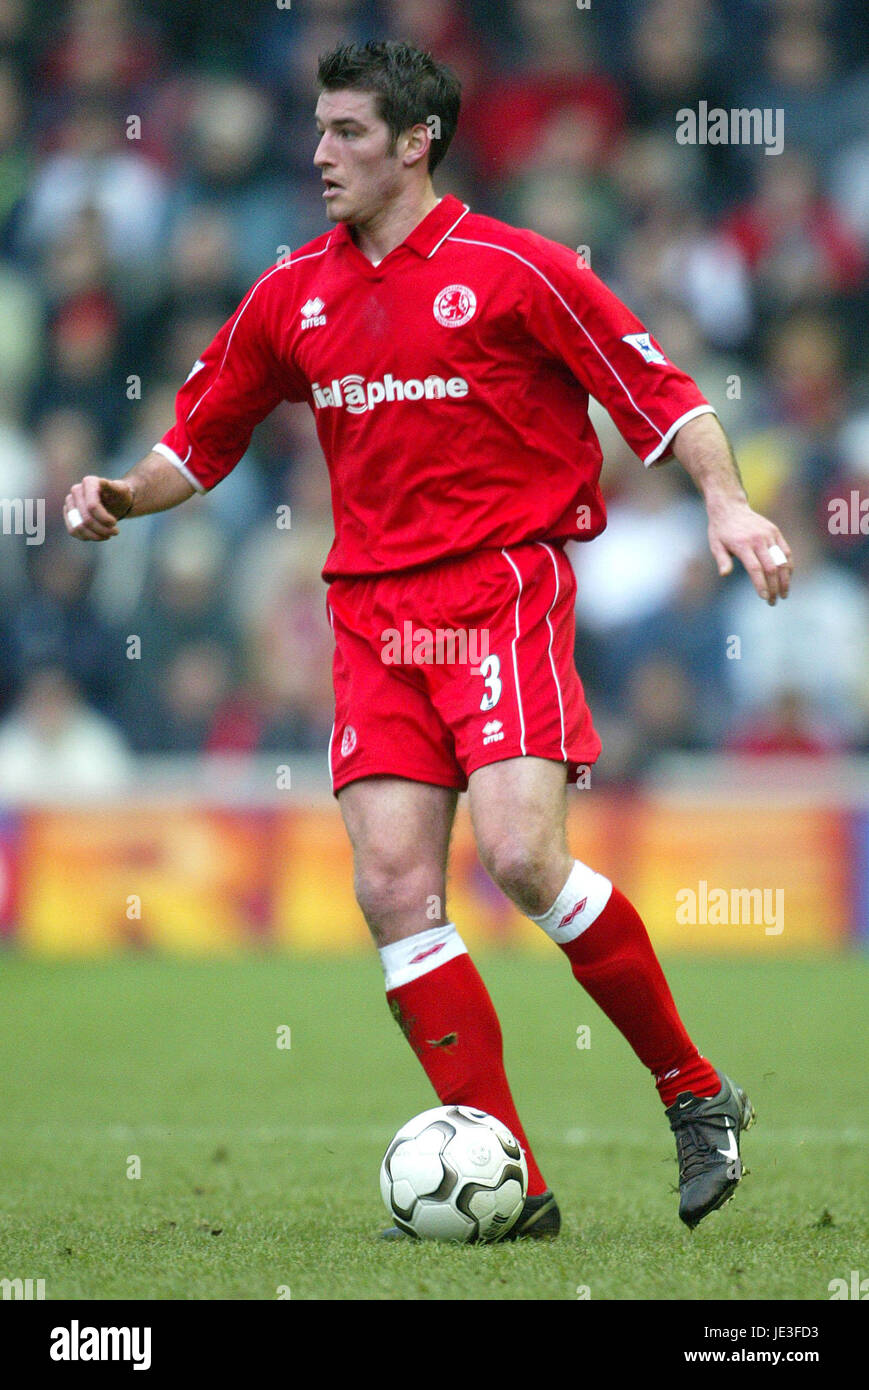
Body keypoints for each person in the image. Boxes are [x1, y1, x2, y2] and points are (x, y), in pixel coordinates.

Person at [64, 40, 793, 1237]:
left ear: (416, 142)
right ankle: (516, 1192)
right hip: (369, 616)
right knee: (394, 888)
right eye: (315, 129)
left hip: (497, 592)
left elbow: (660, 388)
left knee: (519, 858)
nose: (318, 154)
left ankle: (692, 1091)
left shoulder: (519, 269)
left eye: (347, 131)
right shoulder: (290, 291)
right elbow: (198, 438)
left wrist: (723, 497)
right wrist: (120, 497)